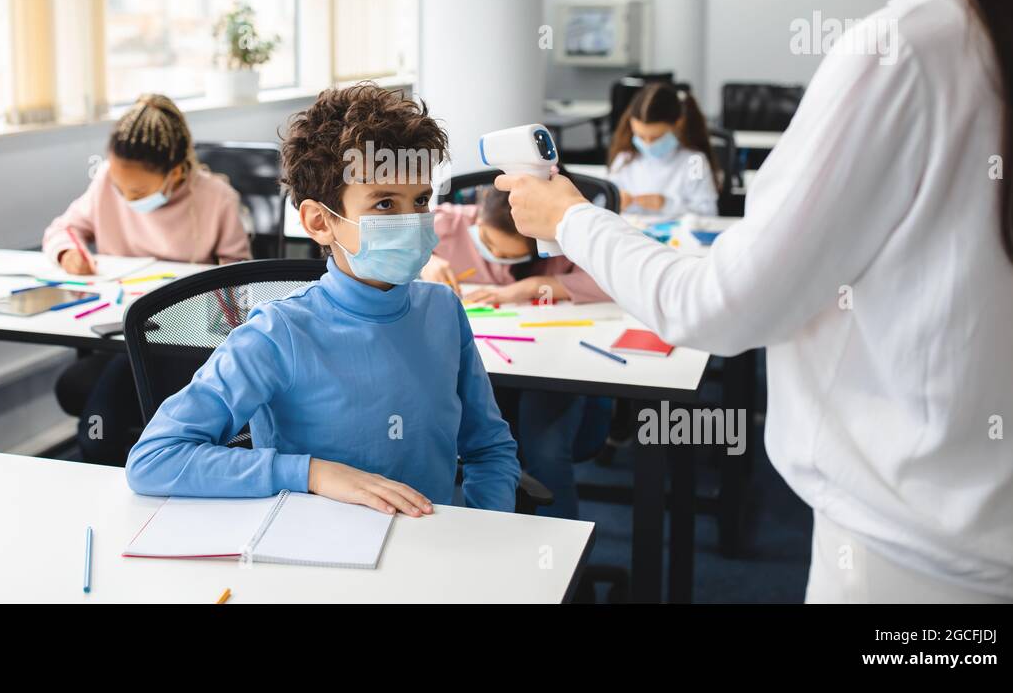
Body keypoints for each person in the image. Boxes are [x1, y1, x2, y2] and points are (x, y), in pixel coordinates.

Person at [496, 0, 1013, 601]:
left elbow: (721, 307)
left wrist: (567, 216)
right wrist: (615, 271)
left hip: (908, 558)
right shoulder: (1001, 38)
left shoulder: (902, 53)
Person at [127, 84, 520, 514]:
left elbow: (490, 449)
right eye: (385, 204)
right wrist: (313, 473)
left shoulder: (443, 310)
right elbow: (154, 459)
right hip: (316, 557)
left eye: (421, 200)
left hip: (428, 552)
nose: (412, 220)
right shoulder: (278, 333)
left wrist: (488, 529)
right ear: (319, 221)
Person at [44, 94, 250, 464]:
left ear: (173, 173)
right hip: (118, 336)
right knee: (86, 405)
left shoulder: (217, 199)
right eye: (120, 189)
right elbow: (65, 227)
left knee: (97, 430)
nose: (125, 198)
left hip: (184, 345)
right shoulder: (107, 182)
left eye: (136, 192)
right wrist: (68, 252)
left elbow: (238, 286)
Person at [421, 187, 612, 518]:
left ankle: (560, 552)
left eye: (510, 256)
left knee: (547, 452)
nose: (495, 257)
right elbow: (382, 246)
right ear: (478, 216)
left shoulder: (561, 246)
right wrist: (426, 261)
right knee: (457, 442)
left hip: (551, 366)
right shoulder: (446, 225)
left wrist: (525, 289)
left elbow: (608, 282)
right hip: (481, 364)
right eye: (489, 245)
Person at [606, 83, 719, 219]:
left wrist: (667, 204)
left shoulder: (694, 161)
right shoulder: (624, 159)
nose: (647, 144)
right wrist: (615, 201)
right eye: (640, 136)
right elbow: (602, 202)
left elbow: (708, 213)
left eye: (656, 137)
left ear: (678, 124)